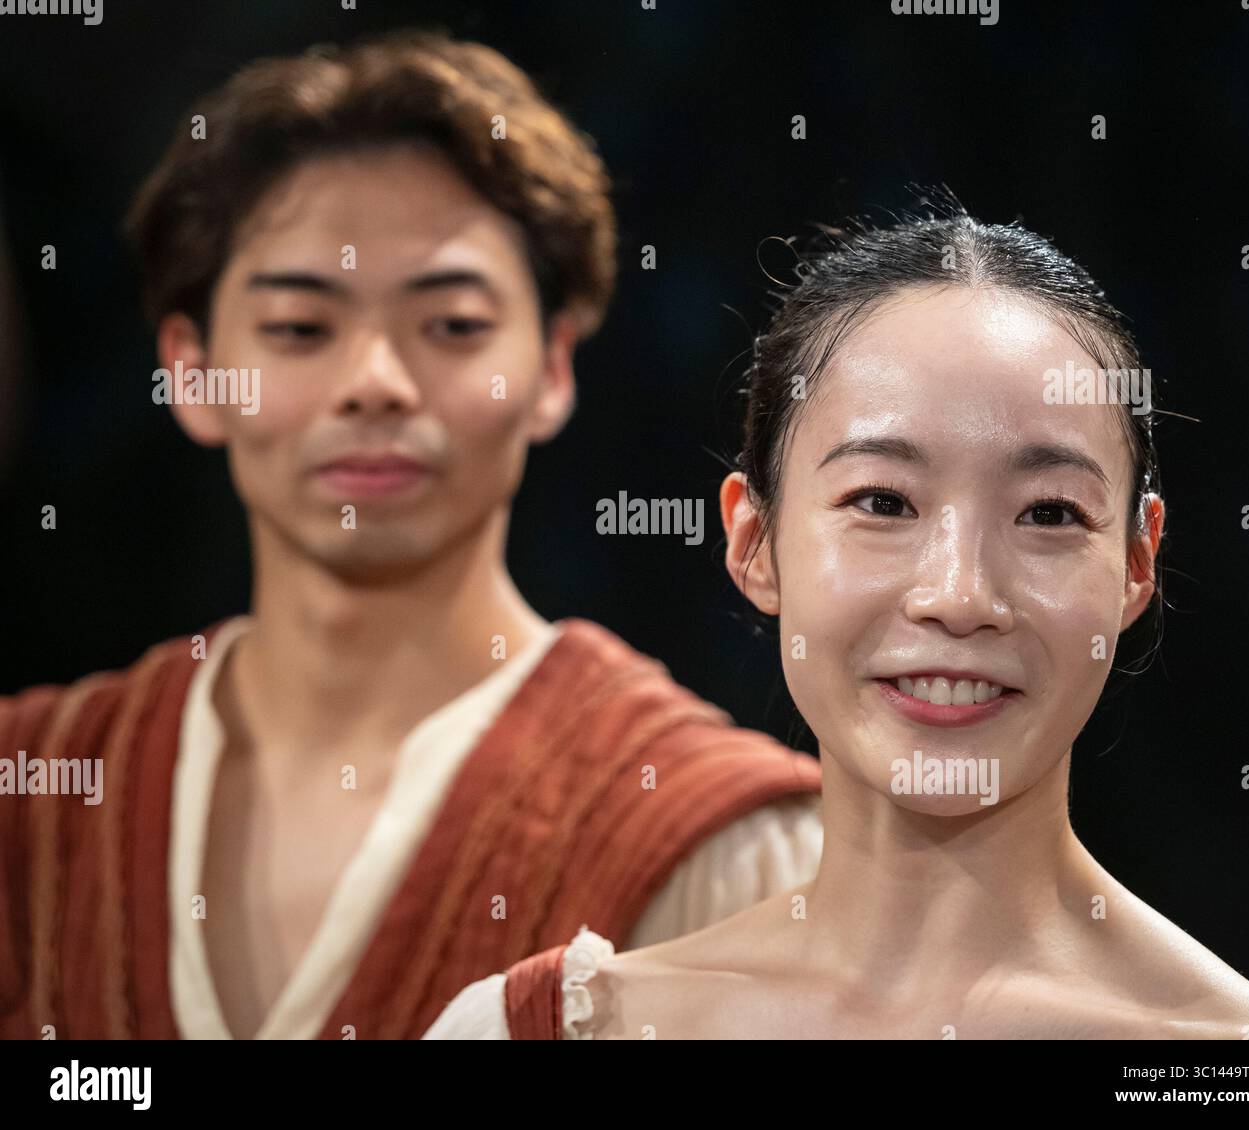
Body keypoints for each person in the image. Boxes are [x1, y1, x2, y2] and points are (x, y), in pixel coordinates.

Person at [0, 31, 822, 1041]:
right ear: (191, 369)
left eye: (451, 326)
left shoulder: (714, 834)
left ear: (554, 363)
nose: (376, 380)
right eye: (301, 328)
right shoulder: (32, 786)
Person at [427, 207, 1249, 1039]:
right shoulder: (542, 1027)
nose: (959, 595)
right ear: (755, 540)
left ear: (1137, 563)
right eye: (883, 501)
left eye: (1048, 515)